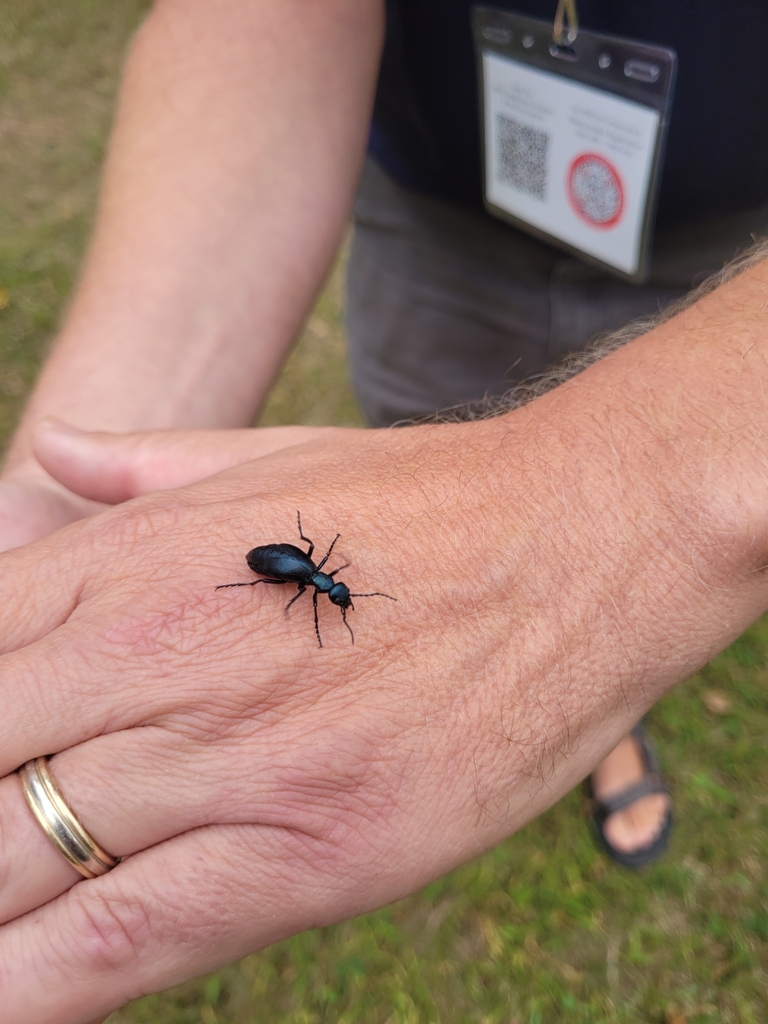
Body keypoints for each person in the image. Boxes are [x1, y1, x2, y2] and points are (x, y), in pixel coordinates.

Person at [1, 1, 768, 1019]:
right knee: (421, 427)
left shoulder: (318, 579)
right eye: (335, 590)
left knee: (611, 621)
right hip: (440, 211)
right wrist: (61, 505)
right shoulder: (315, 578)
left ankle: (603, 719)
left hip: (728, 243)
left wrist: (625, 499)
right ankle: (598, 718)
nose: (333, 592)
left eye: (333, 590)